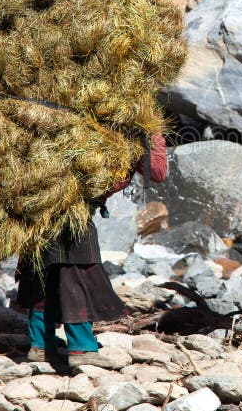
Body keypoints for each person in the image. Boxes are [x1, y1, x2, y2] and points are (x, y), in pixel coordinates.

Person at [16, 133, 168, 368]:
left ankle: (41, 344)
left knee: (43, 271)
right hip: (71, 209)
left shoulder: (58, 123)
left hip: (35, 205)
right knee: (77, 276)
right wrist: (154, 133)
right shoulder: (129, 128)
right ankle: (81, 348)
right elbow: (157, 172)